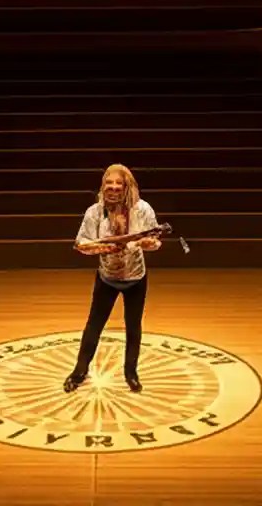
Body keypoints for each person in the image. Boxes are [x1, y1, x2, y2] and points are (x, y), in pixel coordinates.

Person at [65, 164, 161, 393]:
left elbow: (155, 241)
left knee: (133, 327)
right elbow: (82, 243)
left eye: (120, 184)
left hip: (136, 277)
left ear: (127, 186)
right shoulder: (94, 212)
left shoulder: (143, 209)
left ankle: (131, 372)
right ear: (103, 186)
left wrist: (149, 244)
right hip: (106, 277)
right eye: (110, 183)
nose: (114, 188)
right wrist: (100, 249)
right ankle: (79, 371)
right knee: (94, 326)